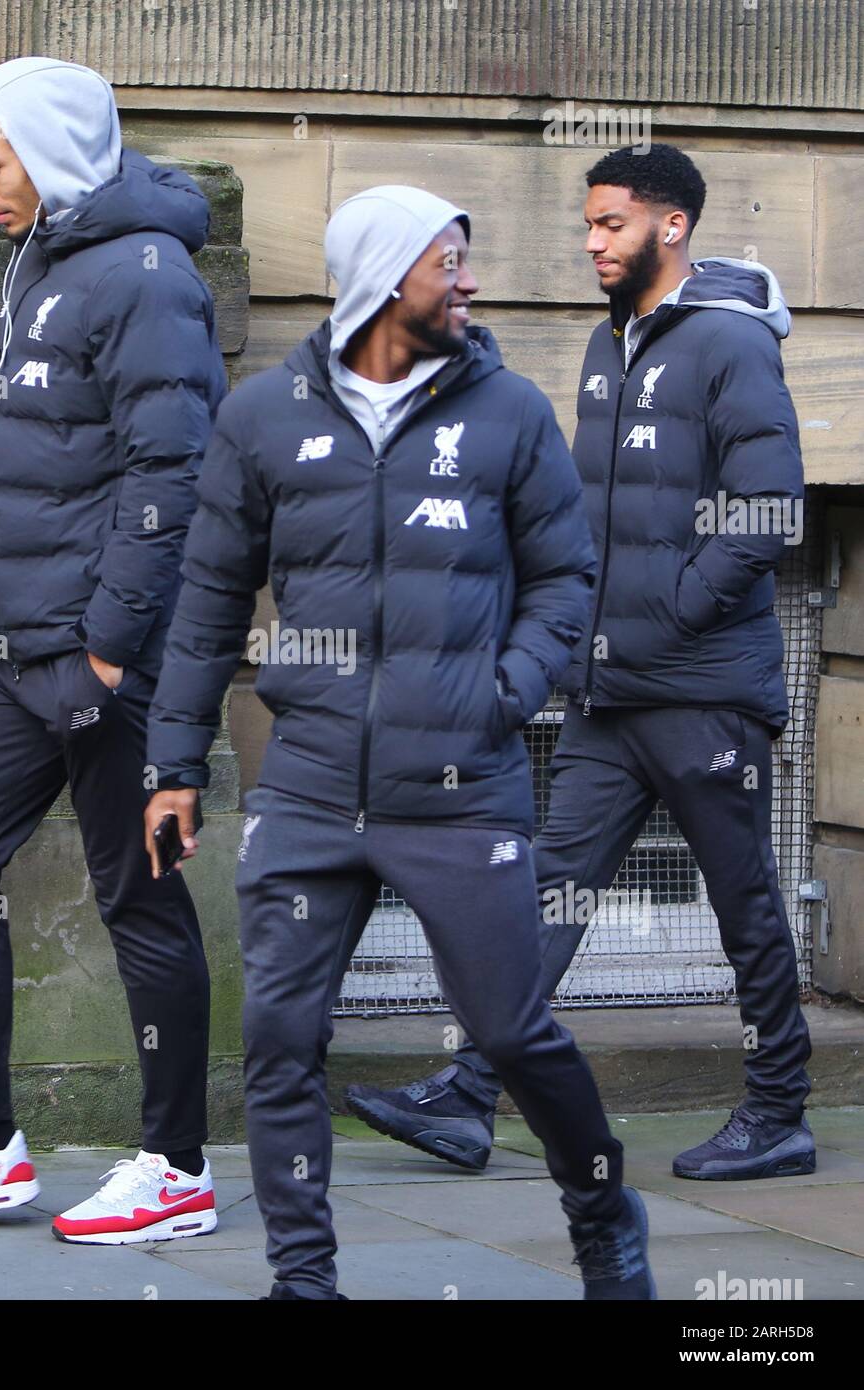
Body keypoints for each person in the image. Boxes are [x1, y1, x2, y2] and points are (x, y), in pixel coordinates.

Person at [143, 185, 655, 1299]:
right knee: (279, 1042)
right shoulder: (263, 417)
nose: (468, 281)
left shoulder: (510, 413)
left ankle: (605, 1212)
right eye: (448, 262)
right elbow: (207, 596)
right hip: (313, 785)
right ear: (385, 277)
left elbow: (568, 576)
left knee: (514, 1034)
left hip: (462, 786)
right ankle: (305, 1279)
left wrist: (507, 690)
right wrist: (174, 762)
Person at [346, 144, 814, 1185]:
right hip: (611, 693)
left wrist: (667, 621)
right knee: (546, 887)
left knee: (744, 905)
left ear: (672, 226)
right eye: (590, 224)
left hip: (702, 691)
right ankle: (470, 1093)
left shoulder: (730, 347)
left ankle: (779, 1109)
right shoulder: (617, 343)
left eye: (612, 224)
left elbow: (767, 514)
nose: (592, 242)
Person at [0, 57, 228, 1244]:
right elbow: (57, 434)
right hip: (24, 649)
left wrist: (113, 653)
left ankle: (176, 1168)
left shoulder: (149, 275)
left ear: (53, 152)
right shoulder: (52, 261)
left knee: (141, 902)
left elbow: (175, 472)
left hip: (107, 656)